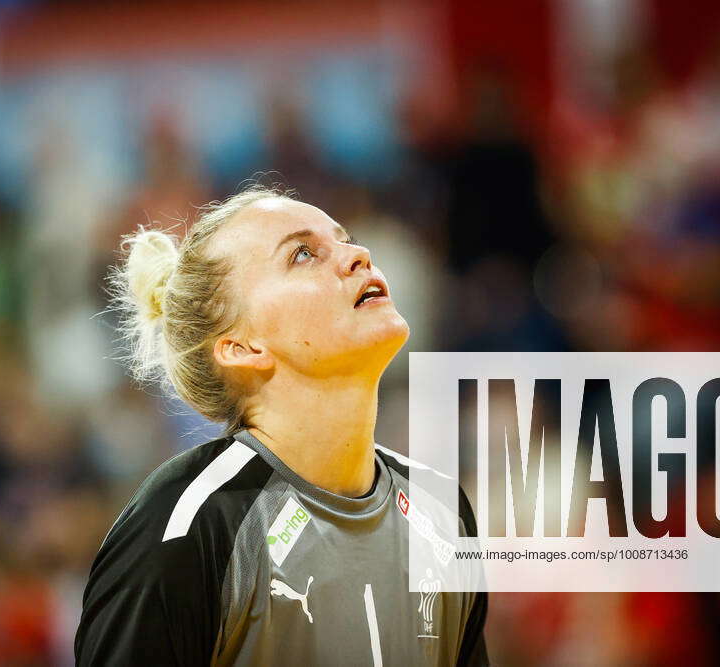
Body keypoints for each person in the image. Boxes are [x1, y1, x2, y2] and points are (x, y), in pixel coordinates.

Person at [74, 184, 490, 666]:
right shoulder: (188, 528)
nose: (358, 255)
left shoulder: (442, 512)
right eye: (303, 254)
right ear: (242, 346)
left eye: (345, 238)